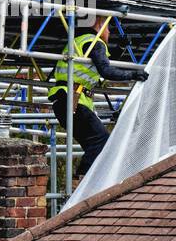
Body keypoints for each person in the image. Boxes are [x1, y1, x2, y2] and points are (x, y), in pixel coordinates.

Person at [48, 20, 149, 176]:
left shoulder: (82, 42)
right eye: (108, 28)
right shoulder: (93, 42)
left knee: (94, 144)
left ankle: (82, 181)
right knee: (101, 141)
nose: (109, 33)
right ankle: (82, 180)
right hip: (73, 99)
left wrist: (120, 48)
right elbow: (106, 70)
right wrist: (134, 74)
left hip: (66, 99)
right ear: (100, 25)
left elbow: (101, 62)